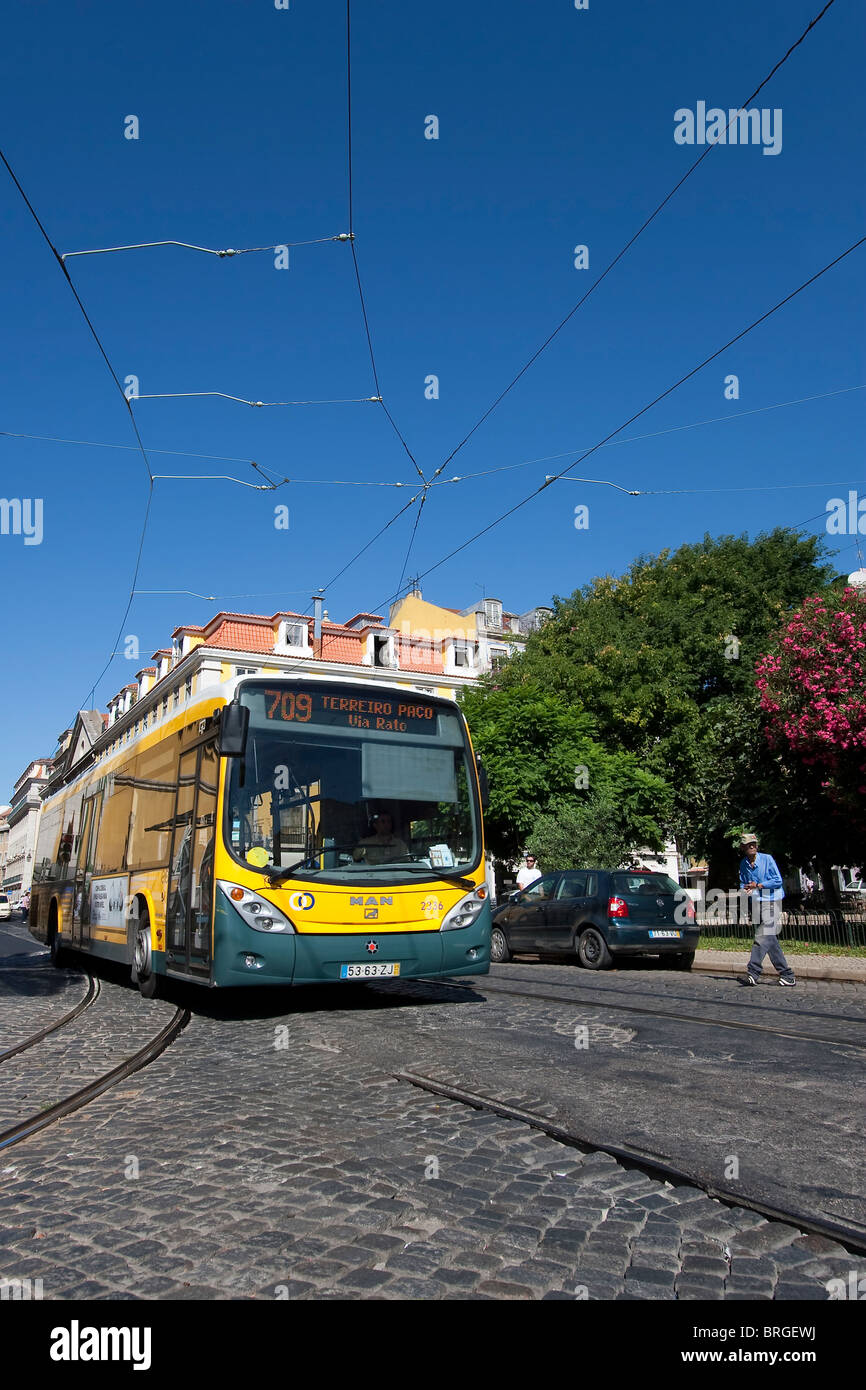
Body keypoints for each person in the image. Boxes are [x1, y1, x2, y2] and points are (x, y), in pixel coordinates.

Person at [737, 833, 795, 986]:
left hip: (772, 900)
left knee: (762, 936)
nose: (752, 846)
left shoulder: (767, 859)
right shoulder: (743, 864)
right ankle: (787, 975)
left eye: (754, 843)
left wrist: (760, 885)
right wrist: (746, 890)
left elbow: (777, 880)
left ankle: (753, 972)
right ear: (743, 847)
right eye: (749, 844)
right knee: (770, 939)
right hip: (758, 902)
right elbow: (743, 883)